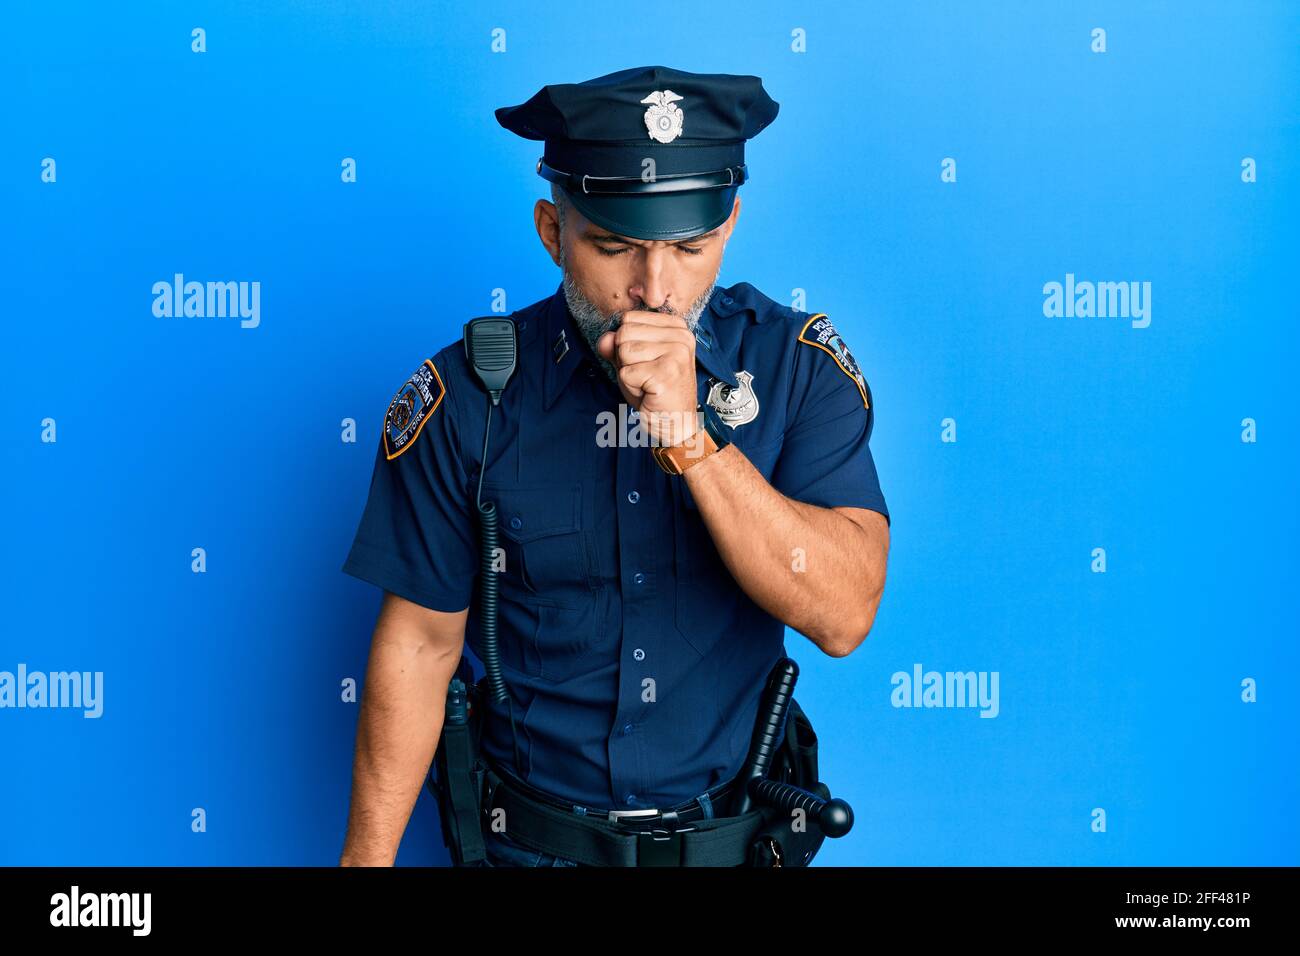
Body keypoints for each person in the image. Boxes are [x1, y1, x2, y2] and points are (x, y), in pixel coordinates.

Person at [337, 65, 890, 868]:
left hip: (731, 844)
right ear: (553, 232)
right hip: (530, 848)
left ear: (728, 225)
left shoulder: (797, 369)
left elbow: (843, 614)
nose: (655, 291)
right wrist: (365, 862)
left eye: (688, 247)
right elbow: (421, 643)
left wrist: (691, 441)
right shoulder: (466, 396)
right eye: (615, 245)